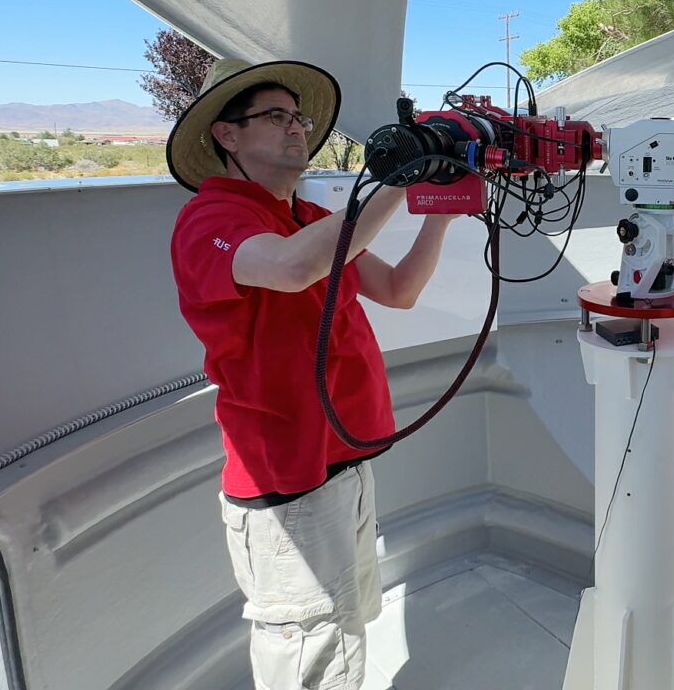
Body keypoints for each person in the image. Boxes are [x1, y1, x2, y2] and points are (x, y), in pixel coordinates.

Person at [166, 58, 456, 689]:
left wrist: (440, 208)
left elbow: (400, 289)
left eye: (298, 117)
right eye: (276, 116)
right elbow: (292, 269)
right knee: (309, 655)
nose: (297, 129)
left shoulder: (310, 219)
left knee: (345, 629)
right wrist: (394, 181)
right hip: (285, 481)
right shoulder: (209, 221)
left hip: (343, 460)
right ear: (226, 135)